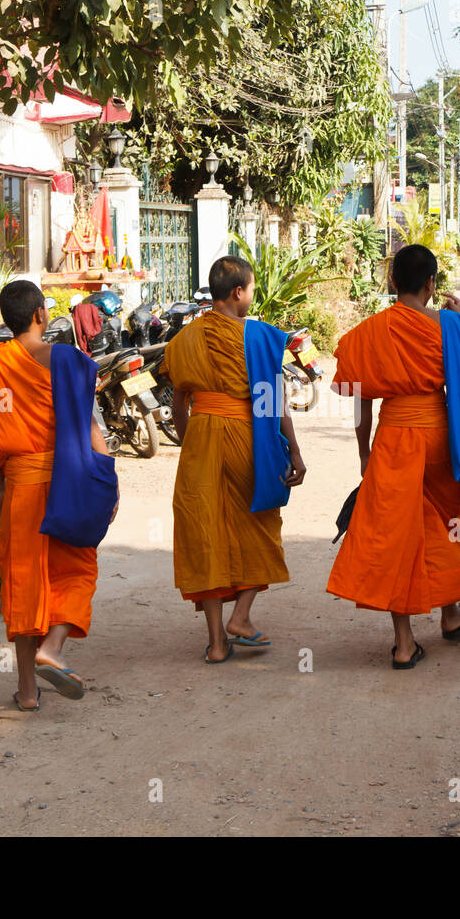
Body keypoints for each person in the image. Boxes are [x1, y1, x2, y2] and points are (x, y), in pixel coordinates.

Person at [327, 244, 460, 669]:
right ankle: (451, 613)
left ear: (394, 281)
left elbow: (361, 404)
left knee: (398, 533)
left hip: (395, 440)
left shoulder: (368, 333)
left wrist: (364, 455)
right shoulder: (450, 325)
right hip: (439, 438)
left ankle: (404, 643)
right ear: (431, 284)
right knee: (445, 520)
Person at [0, 279, 116, 711]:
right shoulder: (67, 359)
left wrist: (0, 490)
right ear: (40, 315)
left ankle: (28, 691)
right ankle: (53, 646)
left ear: (6, 319)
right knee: (76, 567)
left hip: (19, 486)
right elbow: (89, 426)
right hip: (68, 480)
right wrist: (106, 482)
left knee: (24, 583)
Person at [161, 256, 307, 663]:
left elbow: (179, 404)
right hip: (247, 439)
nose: (252, 295)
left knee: (205, 533)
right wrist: (293, 449)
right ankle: (240, 617)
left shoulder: (184, 339)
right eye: (252, 288)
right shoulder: (259, 337)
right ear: (238, 292)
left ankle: (216, 643)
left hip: (202, 438)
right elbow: (272, 399)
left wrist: (192, 448)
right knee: (258, 524)